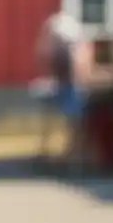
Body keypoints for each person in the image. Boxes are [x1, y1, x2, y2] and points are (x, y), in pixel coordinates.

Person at [38, 11, 92, 168]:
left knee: (74, 124)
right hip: (69, 87)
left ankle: (74, 156)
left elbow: (78, 70)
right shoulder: (72, 47)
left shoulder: (73, 49)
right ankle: (72, 155)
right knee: (73, 124)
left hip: (73, 88)